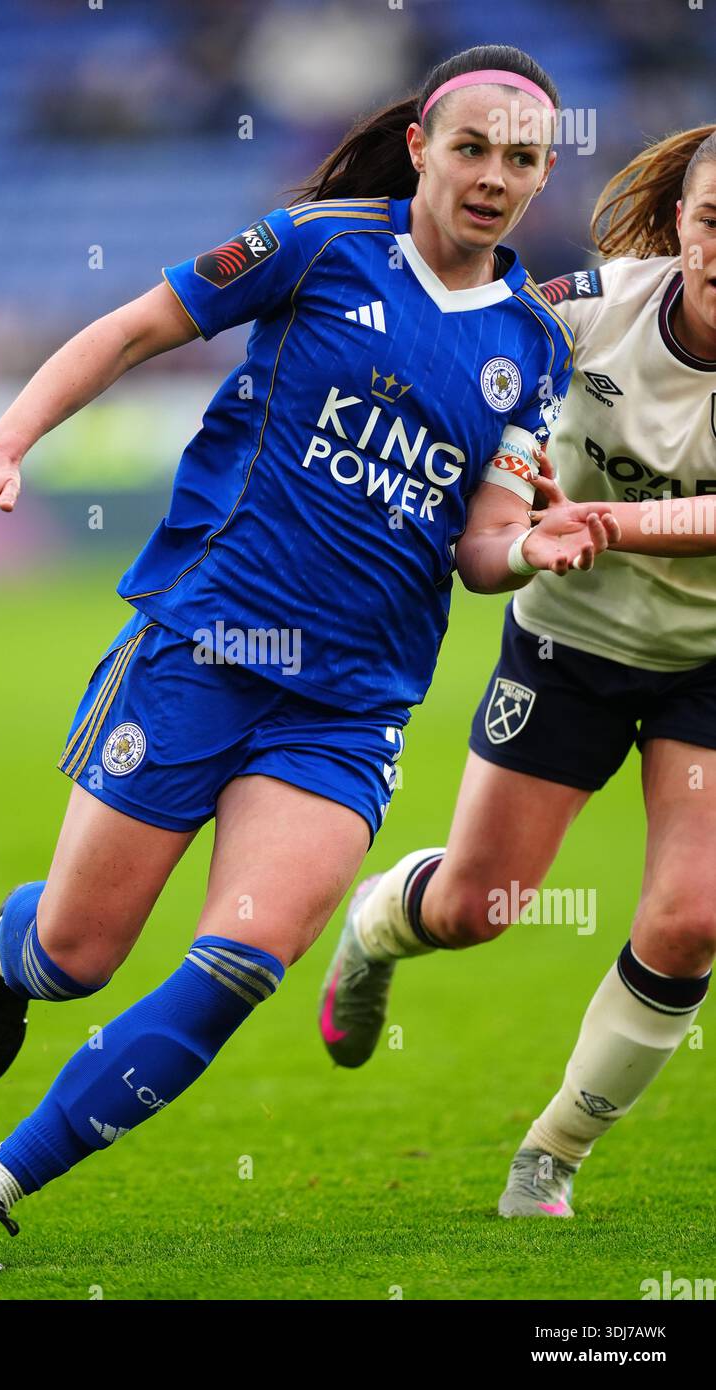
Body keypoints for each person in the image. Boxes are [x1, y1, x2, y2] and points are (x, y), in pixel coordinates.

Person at [0, 44, 615, 1271]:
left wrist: (533, 548)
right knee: (78, 953)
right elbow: (132, 328)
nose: (494, 176)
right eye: (472, 149)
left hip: (347, 707)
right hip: (206, 643)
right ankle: (11, 956)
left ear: (540, 176)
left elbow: (481, 546)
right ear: (420, 150)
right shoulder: (316, 244)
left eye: (521, 159)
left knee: (239, 963)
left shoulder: (529, 342)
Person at [319, 125, 716, 1220]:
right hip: (569, 643)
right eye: (712, 221)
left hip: (707, 669)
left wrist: (612, 519)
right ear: (678, 225)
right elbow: (482, 387)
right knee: (478, 908)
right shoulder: (581, 308)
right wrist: (499, 500)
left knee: (691, 917)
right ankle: (377, 923)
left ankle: (551, 1153)